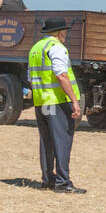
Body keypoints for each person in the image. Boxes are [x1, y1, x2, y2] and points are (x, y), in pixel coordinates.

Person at [27, 17, 85, 193]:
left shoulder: (35, 49)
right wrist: (74, 100)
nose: (65, 35)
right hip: (57, 102)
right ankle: (62, 183)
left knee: (47, 141)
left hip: (42, 102)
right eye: (65, 32)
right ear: (60, 32)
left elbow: (30, 78)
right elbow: (61, 75)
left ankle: (48, 180)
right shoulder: (57, 48)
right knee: (62, 140)